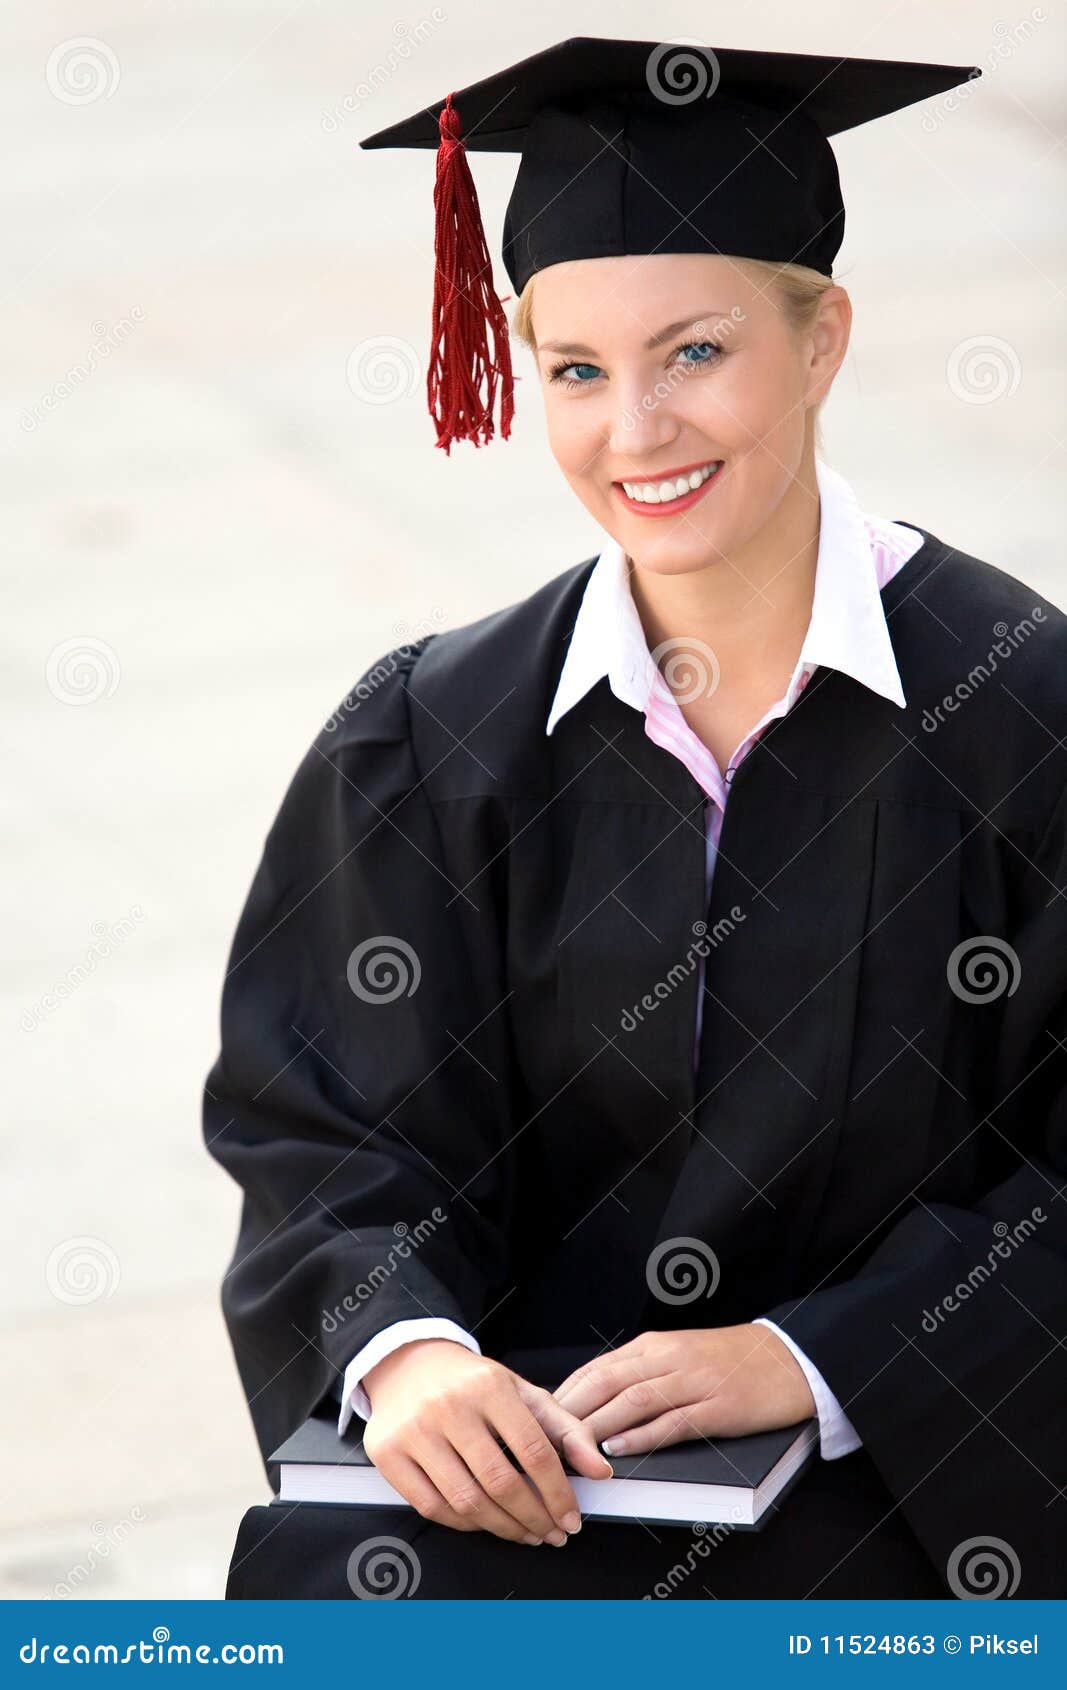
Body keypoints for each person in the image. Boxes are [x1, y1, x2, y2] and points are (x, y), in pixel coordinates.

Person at [204, 37, 1067, 1599]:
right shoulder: (438, 733)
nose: (637, 432)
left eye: (696, 353)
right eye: (578, 371)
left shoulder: (1020, 711)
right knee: (335, 1592)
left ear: (823, 345)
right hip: (551, 1462)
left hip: (927, 1475)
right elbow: (327, 1125)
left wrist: (813, 1360)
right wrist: (408, 1357)